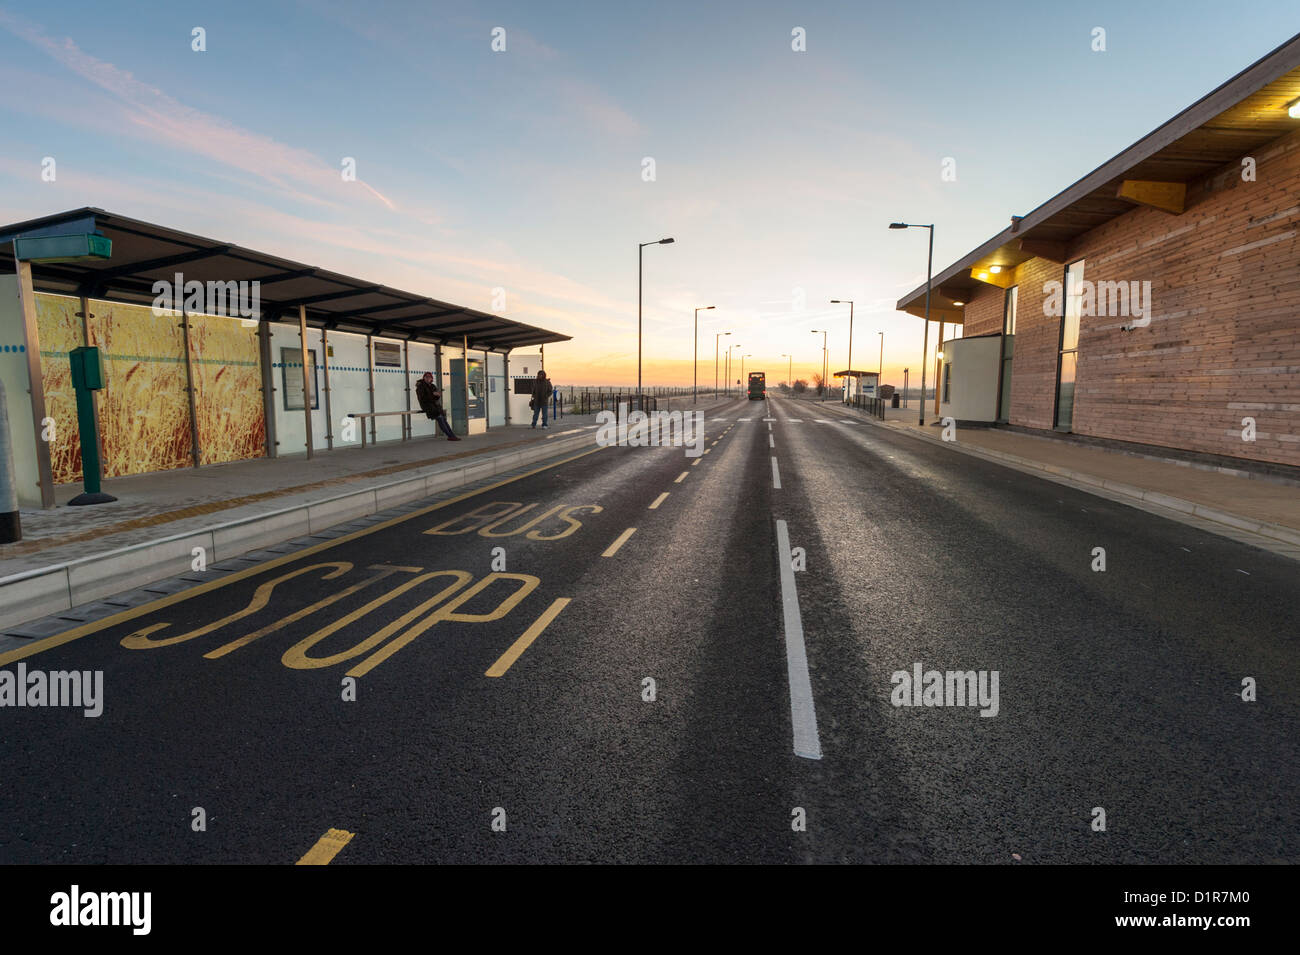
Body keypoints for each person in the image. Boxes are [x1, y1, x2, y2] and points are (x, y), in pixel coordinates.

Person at [415, 372, 460, 441]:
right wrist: (433, 394)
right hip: (428, 406)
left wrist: (437, 395)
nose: (428, 378)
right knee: (440, 419)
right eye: (426, 377)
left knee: (444, 420)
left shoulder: (432, 386)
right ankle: (450, 436)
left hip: (435, 406)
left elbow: (436, 397)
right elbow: (423, 398)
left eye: (429, 377)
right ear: (424, 378)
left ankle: (452, 435)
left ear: (431, 378)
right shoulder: (420, 386)